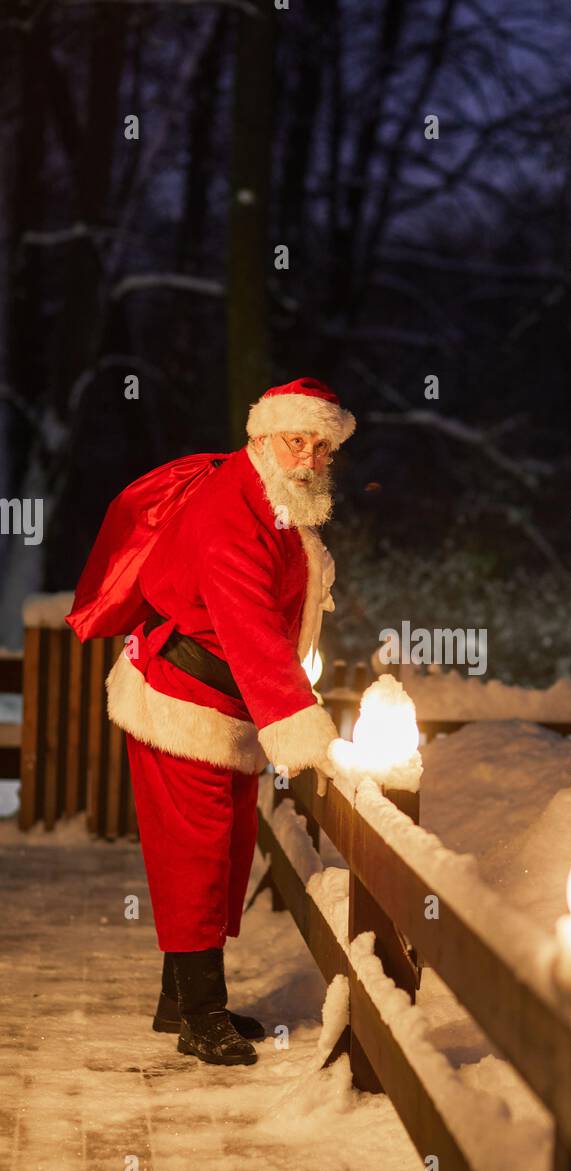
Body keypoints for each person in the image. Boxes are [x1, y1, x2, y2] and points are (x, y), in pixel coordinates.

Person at [103, 377, 354, 1065]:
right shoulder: (231, 511)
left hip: (228, 706)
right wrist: (304, 729)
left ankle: (179, 1001)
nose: (306, 457)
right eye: (294, 441)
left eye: (319, 445)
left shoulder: (271, 495)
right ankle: (200, 1016)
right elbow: (249, 630)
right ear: (261, 437)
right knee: (195, 855)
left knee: (221, 850)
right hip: (182, 700)